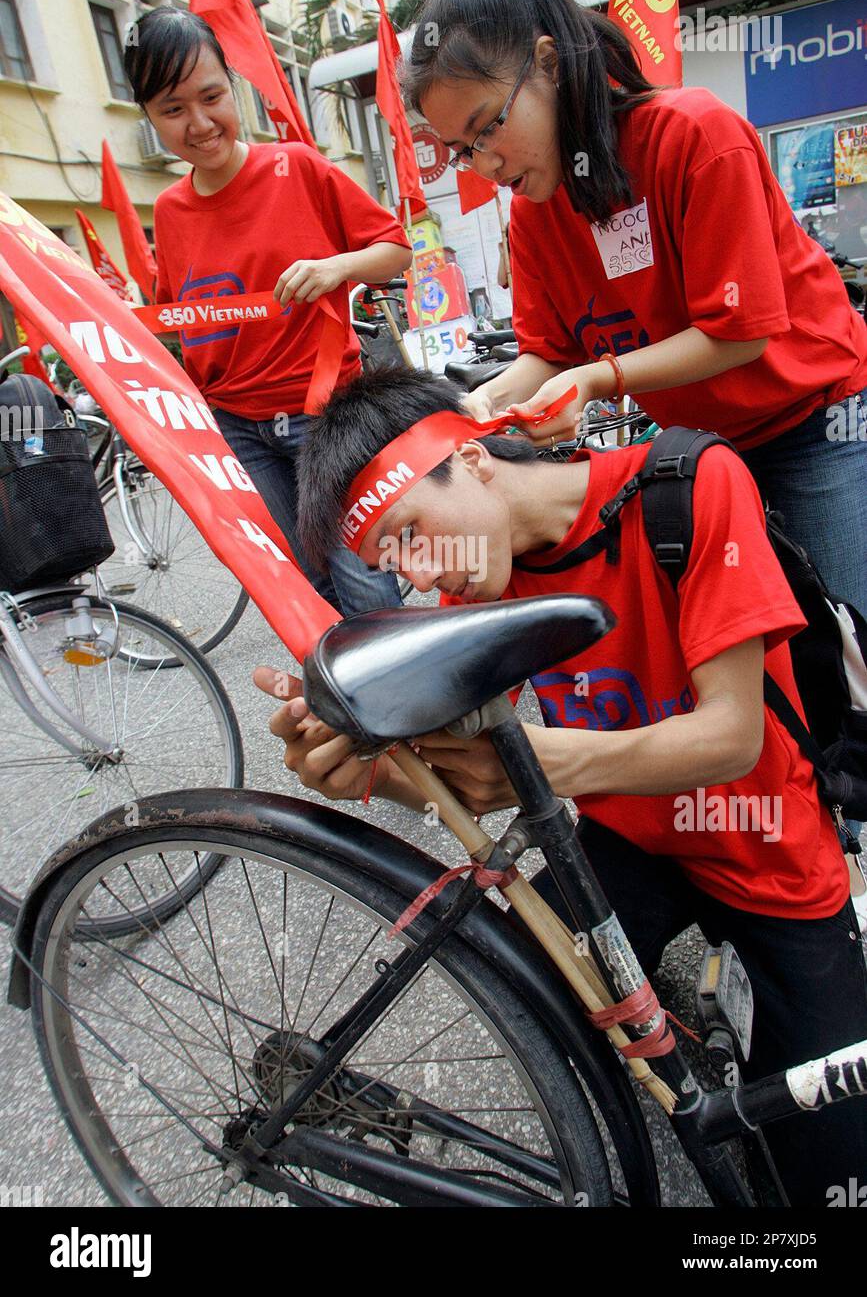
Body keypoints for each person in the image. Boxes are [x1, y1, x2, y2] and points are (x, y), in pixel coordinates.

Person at [254, 366, 867, 1207]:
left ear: (469, 458)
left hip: (764, 839)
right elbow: (464, 782)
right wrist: (358, 772)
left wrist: (541, 769)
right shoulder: (479, 571)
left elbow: (731, 737)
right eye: (389, 564)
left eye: (409, 533)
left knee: (828, 1170)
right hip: (623, 842)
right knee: (523, 996)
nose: (421, 577)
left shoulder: (686, 487)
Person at [397, 0, 867, 622]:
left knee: (846, 644)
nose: (486, 165)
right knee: (756, 649)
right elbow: (548, 352)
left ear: (548, 65)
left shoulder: (694, 138)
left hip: (812, 424)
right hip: (705, 451)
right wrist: (473, 410)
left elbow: (739, 337)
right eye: (463, 152)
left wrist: (595, 380)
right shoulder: (533, 212)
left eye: (487, 128)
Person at [123, 6, 411, 616]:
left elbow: (394, 251)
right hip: (237, 430)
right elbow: (182, 321)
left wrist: (336, 268)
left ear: (234, 85)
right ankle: (354, 707)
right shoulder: (170, 213)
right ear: (148, 116)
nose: (199, 124)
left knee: (363, 583)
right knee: (308, 586)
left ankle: (414, 706)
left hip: (326, 413)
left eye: (211, 96)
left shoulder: (297, 167)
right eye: (173, 110)